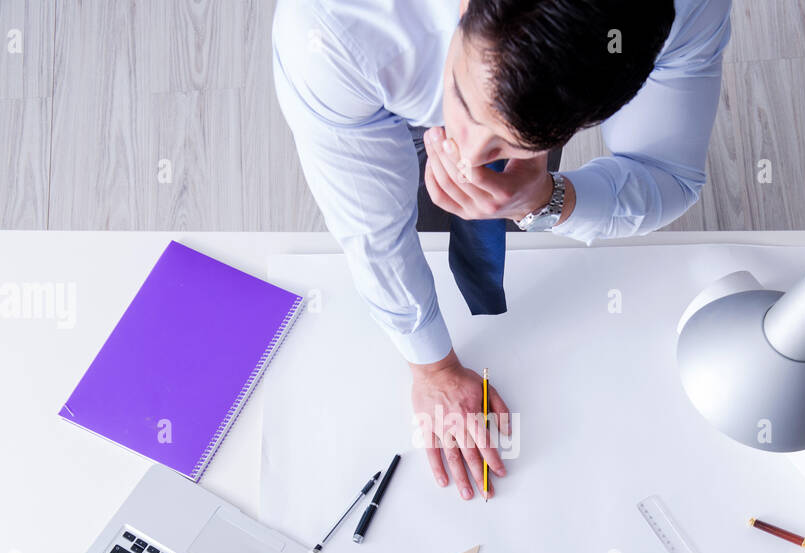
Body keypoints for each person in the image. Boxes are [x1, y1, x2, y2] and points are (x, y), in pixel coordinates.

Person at [273, 0, 731, 499]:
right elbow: (371, 229)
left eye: (505, 146)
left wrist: (544, 198)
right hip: (367, 82)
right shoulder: (327, 25)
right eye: (464, 106)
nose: (467, 162)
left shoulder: (688, 9)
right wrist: (433, 367)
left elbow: (669, 174)